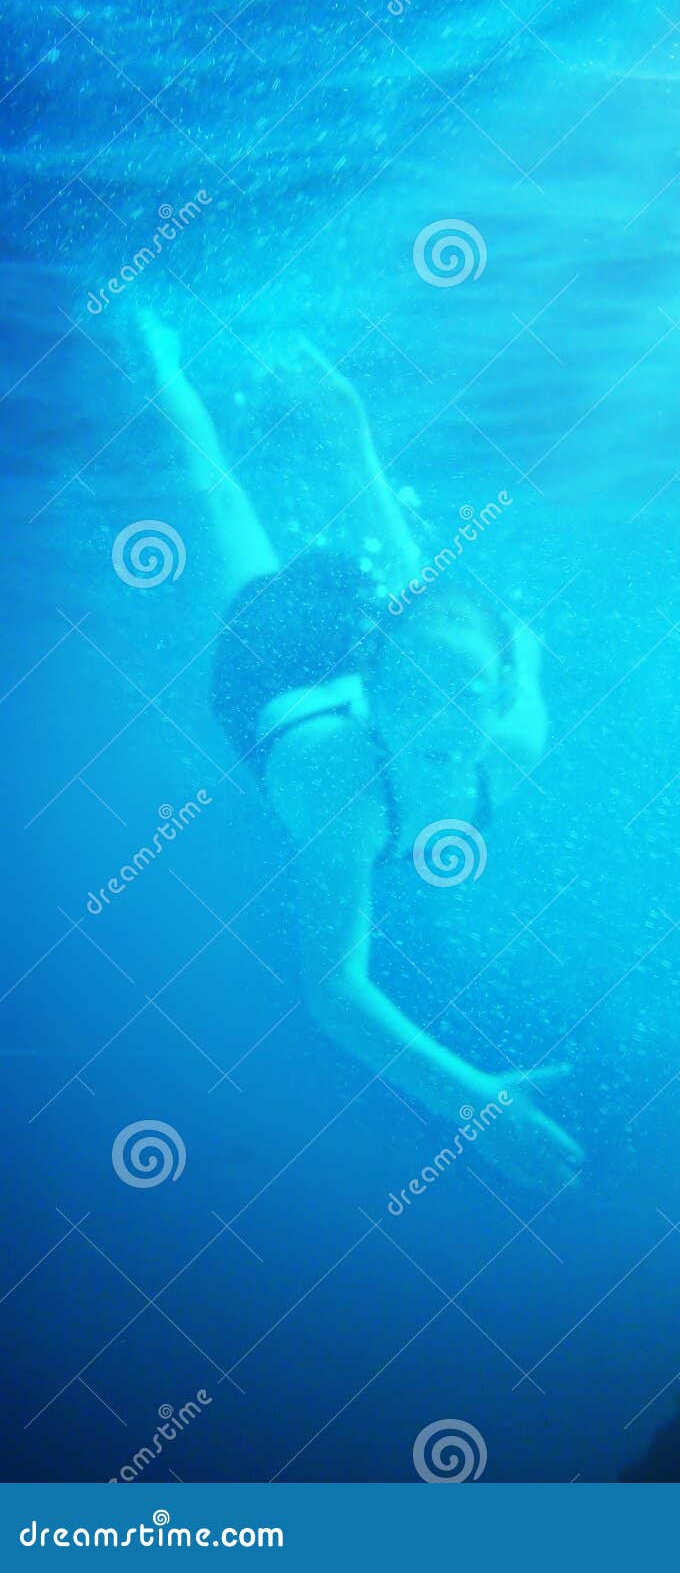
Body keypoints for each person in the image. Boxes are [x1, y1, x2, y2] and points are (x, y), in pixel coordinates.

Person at [138, 310, 583, 1193]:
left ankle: (320, 432)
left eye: (468, 698)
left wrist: (499, 660)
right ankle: (151, 348)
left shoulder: (511, 740)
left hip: (377, 652)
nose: (440, 724)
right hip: (267, 664)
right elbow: (335, 993)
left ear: (494, 702)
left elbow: (496, 644)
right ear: (383, 688)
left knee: (423, 602)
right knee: (216, 495)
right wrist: (473, 1103)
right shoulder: (338, 786)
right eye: (418, 696)